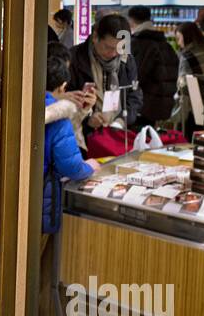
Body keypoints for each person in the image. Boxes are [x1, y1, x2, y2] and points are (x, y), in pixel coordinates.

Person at [42, 49, 100, 234]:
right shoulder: (59, 117)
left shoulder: (19, 103)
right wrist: (91, 166)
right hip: (42, 199)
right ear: (62, 86)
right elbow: (72, 167)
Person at [70, 12, 142, 146]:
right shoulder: (74, 59)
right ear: (95, 37)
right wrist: (88, 120)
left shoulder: (126, 61)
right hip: (82, 139)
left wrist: (120, 122)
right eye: (108, 48)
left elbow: (134, 96)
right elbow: (66, 100)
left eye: (119, 48)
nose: (114, 53)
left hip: (118, 136)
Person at [127, 6, 178, 128]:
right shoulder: (166, 46)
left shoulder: (137, 44)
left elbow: (134, 77)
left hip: (141, 107)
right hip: (161, 107)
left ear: (131, 21)